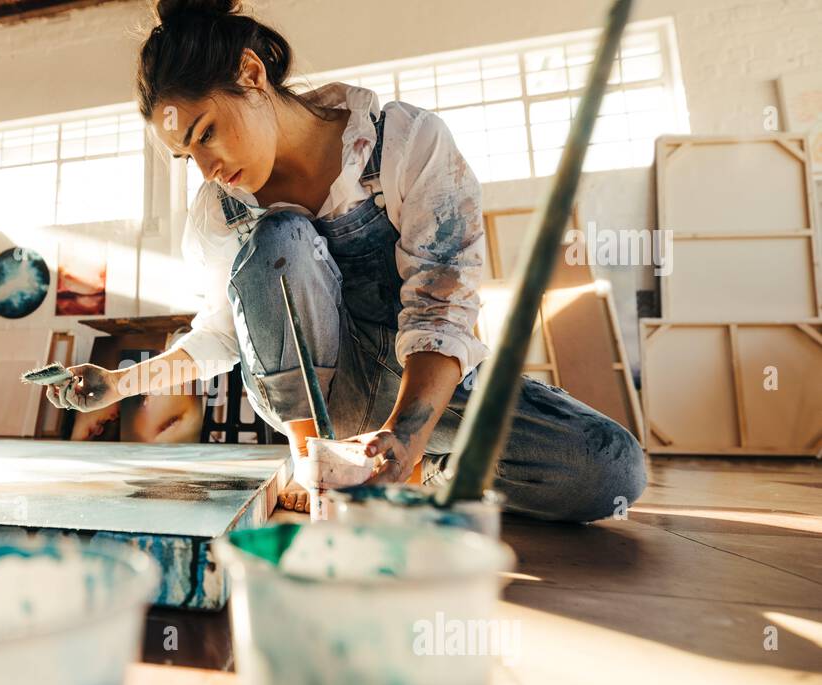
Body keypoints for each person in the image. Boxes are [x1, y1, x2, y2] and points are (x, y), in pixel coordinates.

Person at [47, 0, 646, 521]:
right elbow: (224, 335)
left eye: (206, 133)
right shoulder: (218, 214)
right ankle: (319, 468)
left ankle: (421, 471)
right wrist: (121, 384)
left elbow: (443, 304)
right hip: (328, 407)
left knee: (610, 472)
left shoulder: (404, 144)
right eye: (185, 156)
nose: (207, 169)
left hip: (432, 386)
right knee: (279, 236)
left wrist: (407, 438)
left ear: (250, 74)